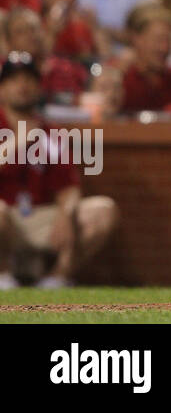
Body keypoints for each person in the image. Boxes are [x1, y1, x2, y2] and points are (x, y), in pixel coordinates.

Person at [0, 53, 120, 287]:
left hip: (41, 218)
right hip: (7, 221)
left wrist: (65, 213)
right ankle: (4, 277)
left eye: (29, 80)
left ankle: (52, 278)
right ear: (2, 89)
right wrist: (16, 142)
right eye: (14, 80)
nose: (22, 86)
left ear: (38, 87)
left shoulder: (50, 134)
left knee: (103, 210)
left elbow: (69, 187)